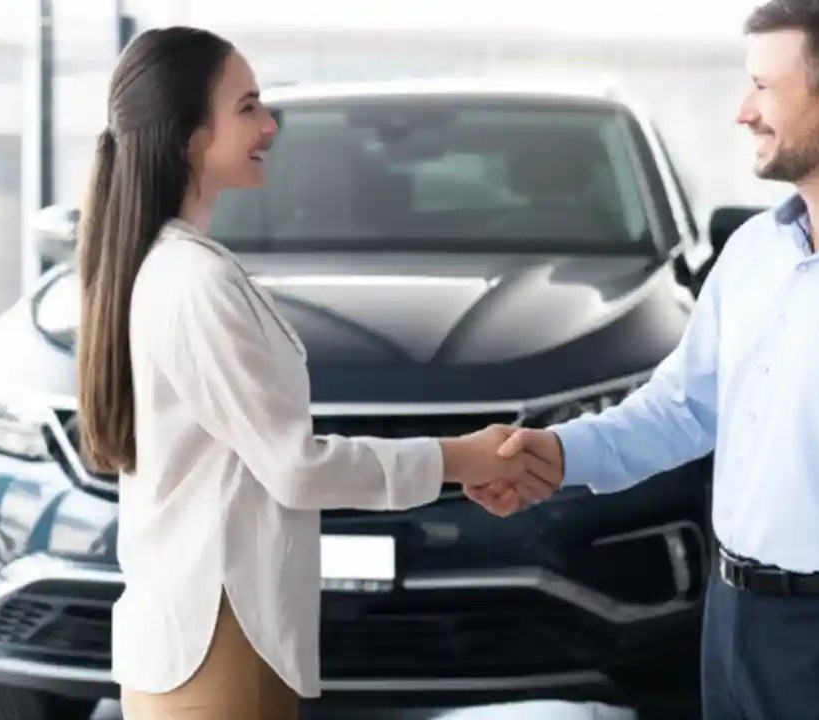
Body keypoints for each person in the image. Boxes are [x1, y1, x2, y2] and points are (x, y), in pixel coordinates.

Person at [475, 1, 819, 718]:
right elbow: (683, 410)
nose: (742, 111)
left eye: (763, 86)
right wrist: (555, 455)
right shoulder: (756, 251)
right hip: (730, 624)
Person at [74, 28, 559, 720]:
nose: (270, 124)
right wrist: (460, 458)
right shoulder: (192, 280)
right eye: (247, 107)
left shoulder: (169, 266)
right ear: (187, 136)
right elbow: (294, 467)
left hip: (208, 628)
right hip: (219, 636)